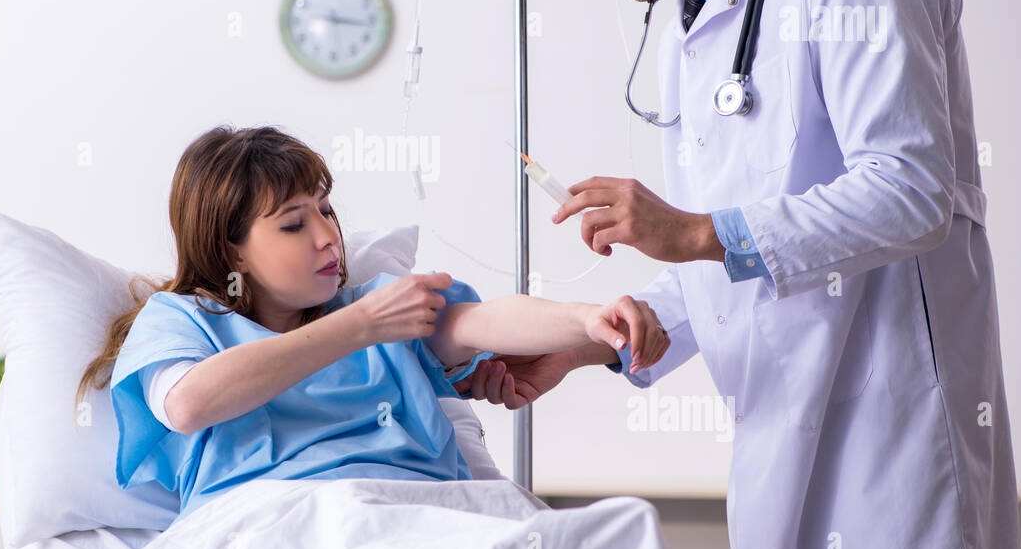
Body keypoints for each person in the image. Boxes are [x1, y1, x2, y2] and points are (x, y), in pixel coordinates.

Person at [459, 0, 1021, 549]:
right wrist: (599, 343)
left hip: (893, 448)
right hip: (779, 441)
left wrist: (694, 231)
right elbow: (736, 248)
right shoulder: (694, 23)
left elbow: (910, 189)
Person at [74, 124, 668, 523]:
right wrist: (359, 326)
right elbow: (189, 404)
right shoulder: (183, 320)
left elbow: (486, 322)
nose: (328, 235)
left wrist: (590, 319)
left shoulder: (382, 305)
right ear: (231, 250)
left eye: (326, 209)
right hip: (271, 527)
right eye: (292, 224)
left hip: (419, 517)